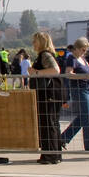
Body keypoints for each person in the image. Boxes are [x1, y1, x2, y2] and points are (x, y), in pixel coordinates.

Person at [28, 31, 64, 163]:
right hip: (50, 94)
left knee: (48, 123)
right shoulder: (45, 55)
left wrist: (36, 72)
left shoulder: (45, 55)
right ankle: (54, 154)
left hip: (48, 94)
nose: (33, 43)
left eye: (35, 41)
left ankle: (50, 155)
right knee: (52, 123)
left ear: (41, 42)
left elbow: (55, 70)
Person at [60, 36, 89, 152]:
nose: (84, 52)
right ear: (76, 48)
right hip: (79, 89)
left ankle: (63, 138)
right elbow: (68, 73)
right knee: (88, 117)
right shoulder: (71, 58)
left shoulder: (82, 58)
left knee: (84, 117)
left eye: (85, 50)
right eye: (83, 49)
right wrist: (84, 76)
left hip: (87, 89)